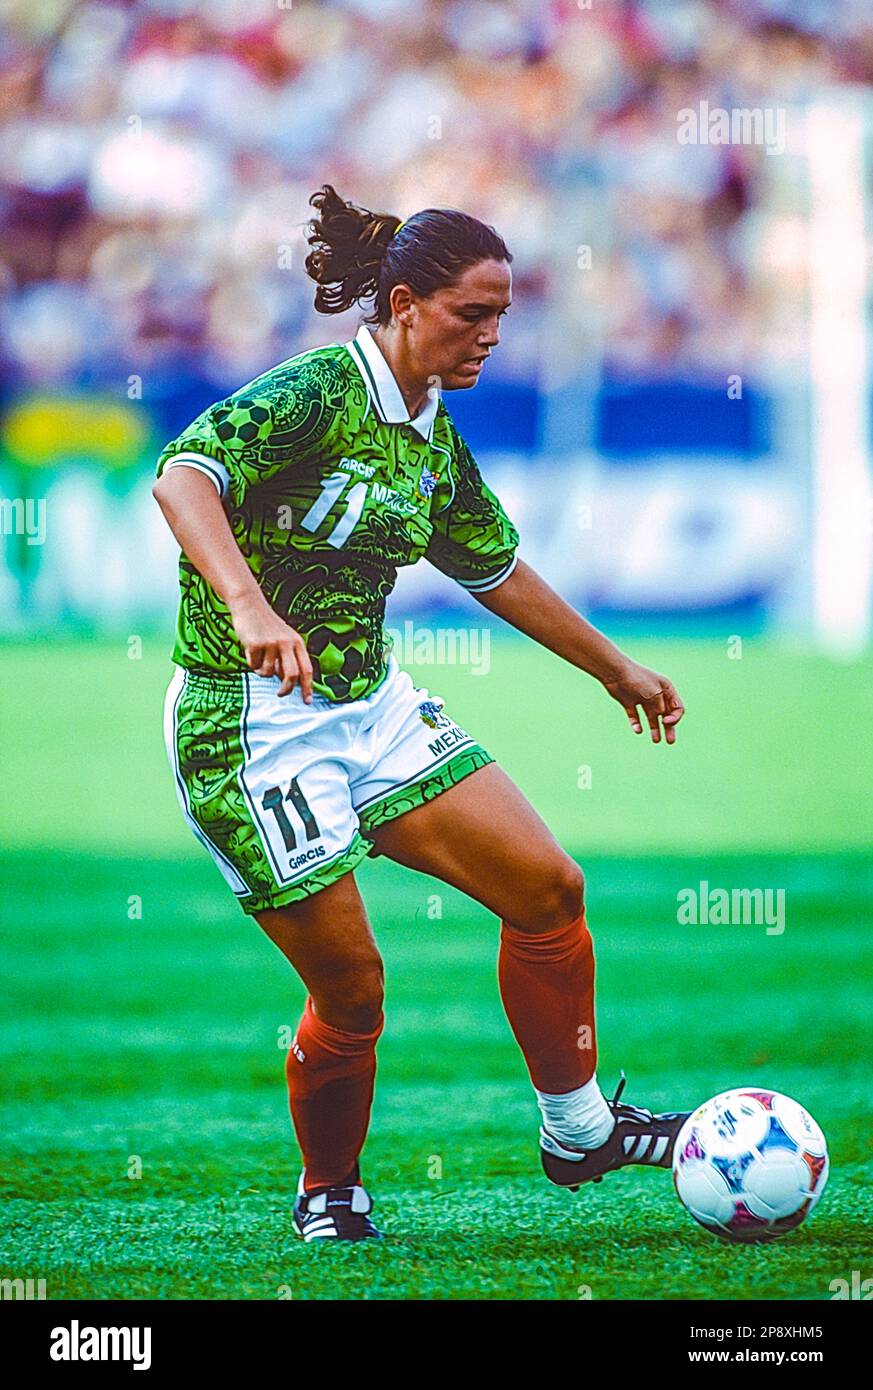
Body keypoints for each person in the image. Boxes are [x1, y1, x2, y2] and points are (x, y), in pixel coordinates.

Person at [153, 184, 688, 1242]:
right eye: (470, 314)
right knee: (356, 992)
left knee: (547, 887)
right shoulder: (318, 392)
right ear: (403, 302)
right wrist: (251, 606)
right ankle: (329, 1192)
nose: (490, 334)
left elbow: (493, 566)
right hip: (248, 726)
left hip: (368, 707)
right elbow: (183, 477)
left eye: (501, 316)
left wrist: (612, 667)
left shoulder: (430, 428)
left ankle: (579, 1130)